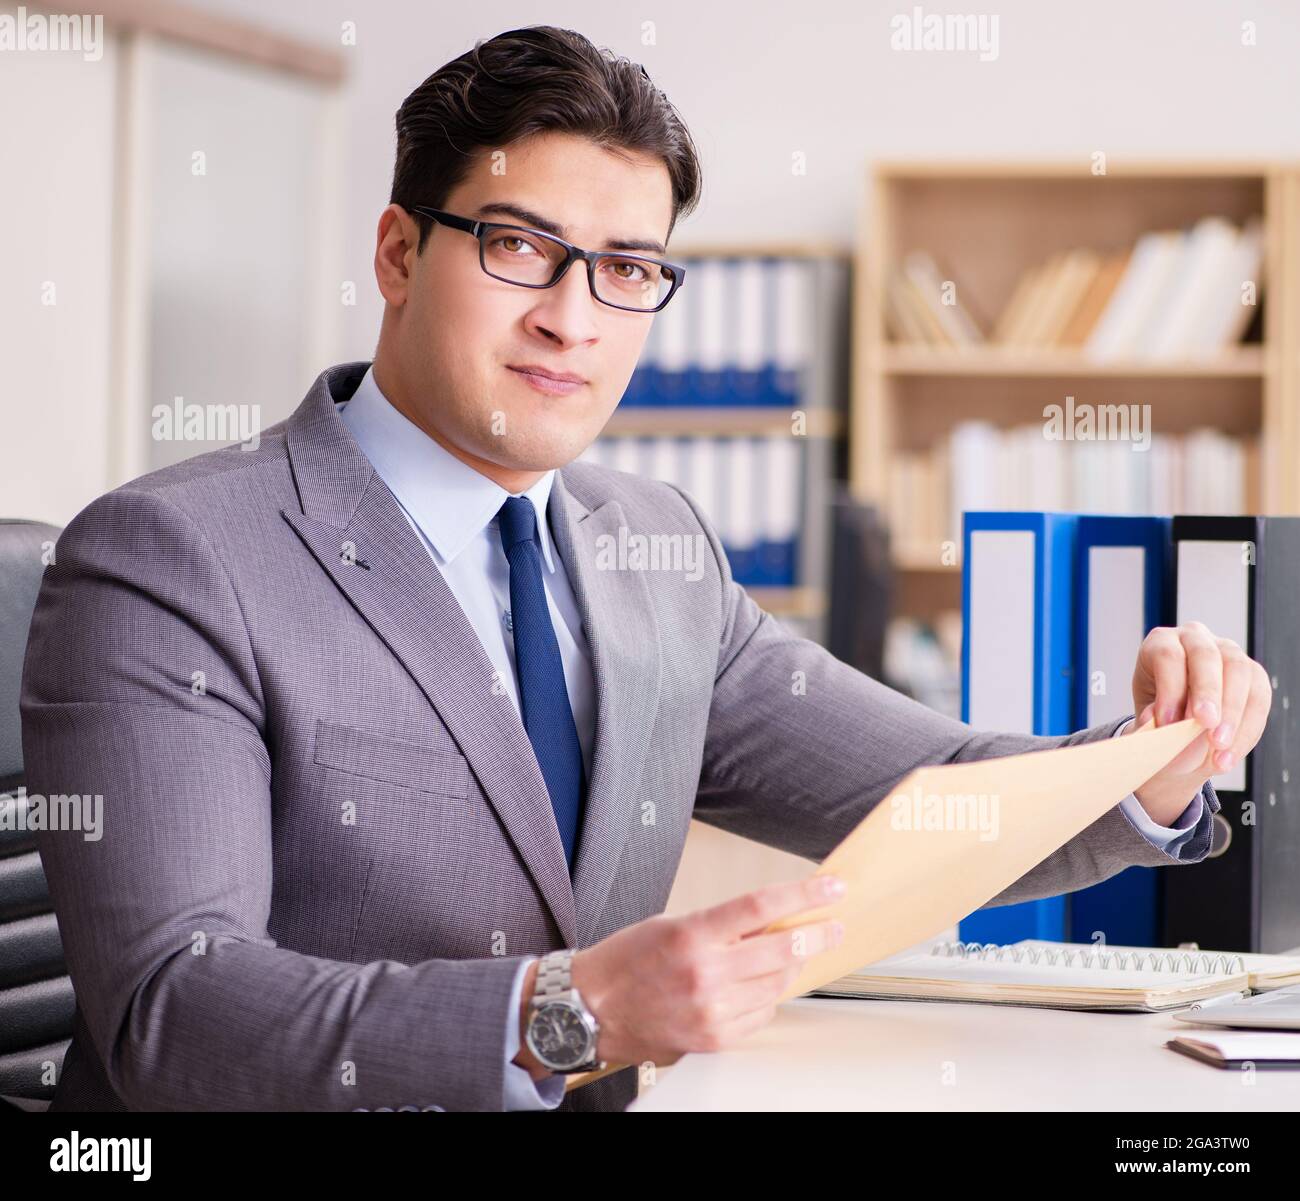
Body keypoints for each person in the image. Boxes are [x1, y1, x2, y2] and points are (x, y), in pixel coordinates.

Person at [21, 25, 1269, 1113]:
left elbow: (933, 796)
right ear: (399, 254)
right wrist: (564, 1012)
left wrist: (1143, 766)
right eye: (520, 248)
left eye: (627, 270)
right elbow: (170, 1009)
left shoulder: (652, 551)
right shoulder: (174, 555)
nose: (574, 317)